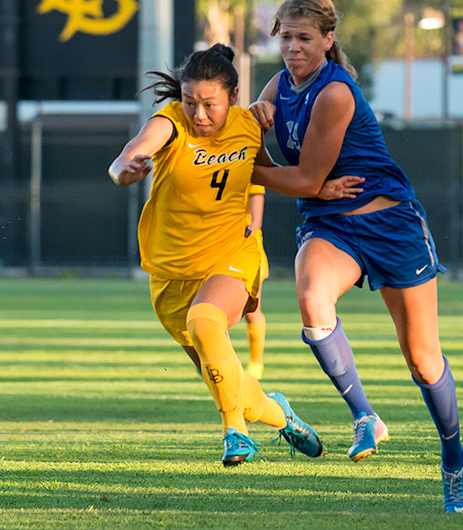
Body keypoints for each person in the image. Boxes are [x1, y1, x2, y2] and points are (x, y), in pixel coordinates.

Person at [246, 0, 463, 512]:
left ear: (327, 40)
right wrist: (251, 134)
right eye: (285, 38)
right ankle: (365, 415)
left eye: (304, 38)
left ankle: (453, 458)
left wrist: (254, 163)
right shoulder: (274, 89)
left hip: (390, 224)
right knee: (311, 298)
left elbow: (301, 178)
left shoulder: (335, 93)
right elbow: (294, 178)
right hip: (330, 225)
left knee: (422, 358)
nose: (292, 48)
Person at [108, 43, 325, 467]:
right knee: (233, 386)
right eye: (190, 102)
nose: (199, 114)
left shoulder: (248, 126)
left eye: (210, 104)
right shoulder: (171, 122)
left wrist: (322, 187)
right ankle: (281, 416)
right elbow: (129, 153)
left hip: (232, 253)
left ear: (233, 97)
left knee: (205, 320)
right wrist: (126, 168)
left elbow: (264, 175)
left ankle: (234, 435)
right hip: (171, 272)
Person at [244, 185, 268, 379]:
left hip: (247, 247)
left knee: (252, 309)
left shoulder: (249, 167)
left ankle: (256, 361)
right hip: (215, 244)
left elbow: (256, 221)